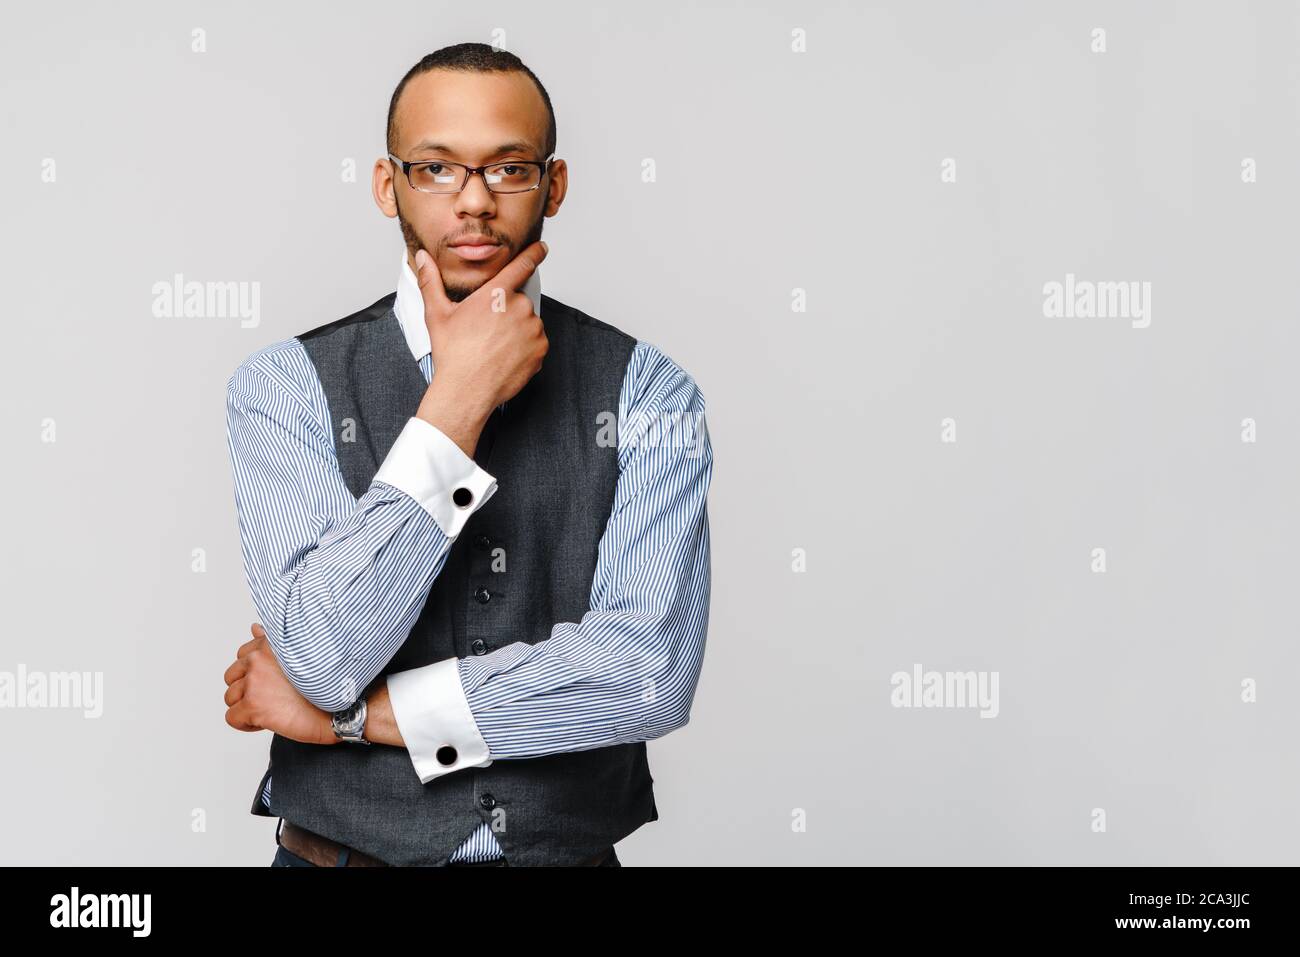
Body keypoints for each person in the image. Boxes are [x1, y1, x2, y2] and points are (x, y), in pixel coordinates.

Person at [220, 42, 713, 867]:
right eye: (437, 169)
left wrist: (350, 719)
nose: (474, 202)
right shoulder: (282, 385)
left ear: (554, 184)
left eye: (509, 167)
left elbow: (646, 676)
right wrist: (458, 402)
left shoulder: (652, 392)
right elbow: (321, 651)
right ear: (390, 186)